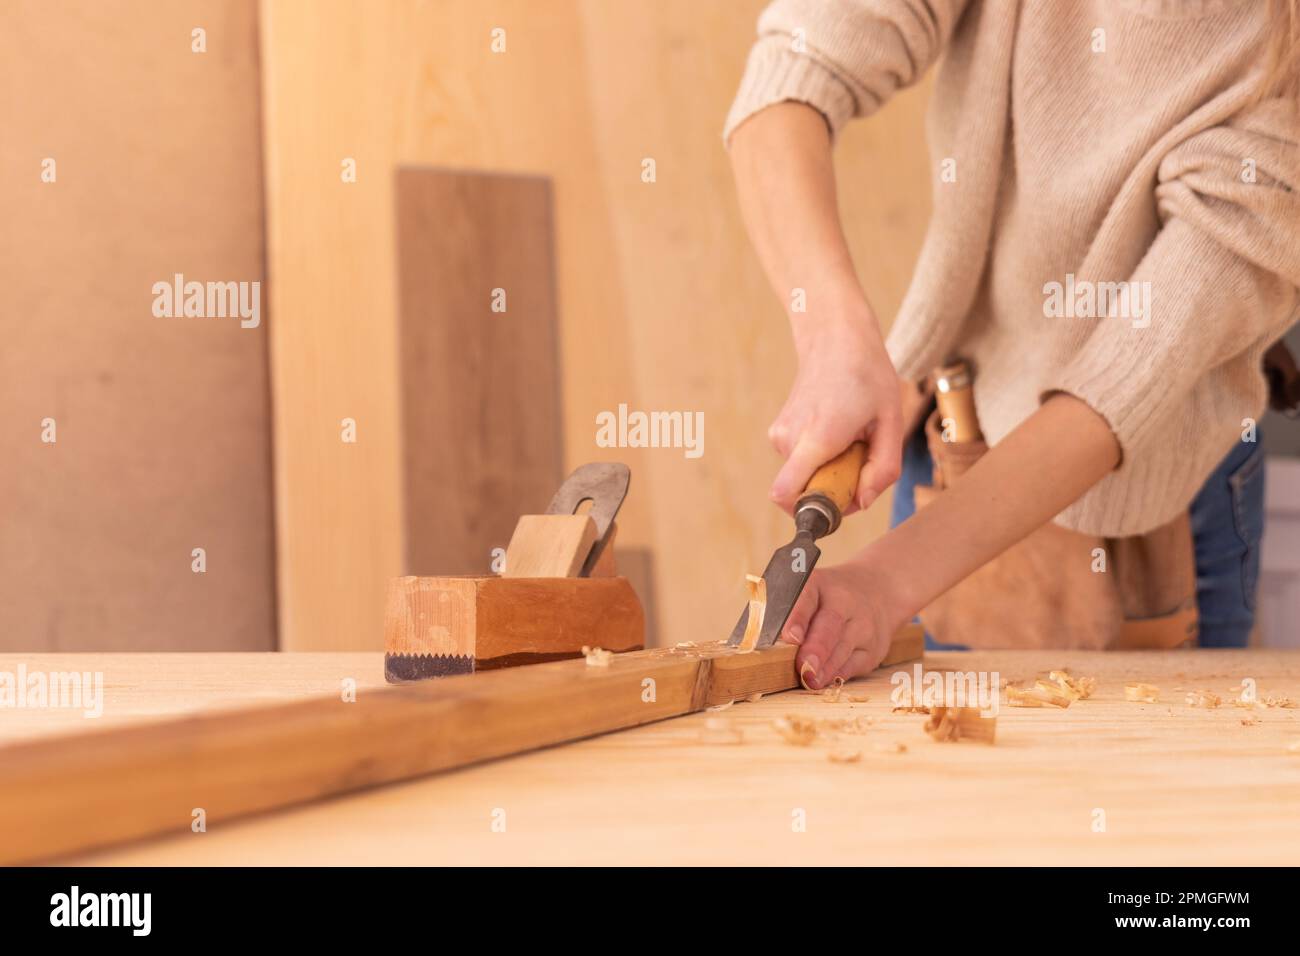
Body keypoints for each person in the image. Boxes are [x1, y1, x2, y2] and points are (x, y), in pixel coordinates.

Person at [726, 0, 1299, 688]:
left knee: (1137, 783)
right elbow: (796, 66)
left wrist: (881, 583)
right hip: (948, 437)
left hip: (1153, 485)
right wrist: (832, 337)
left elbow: (1121, 387)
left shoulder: (1278, 60)